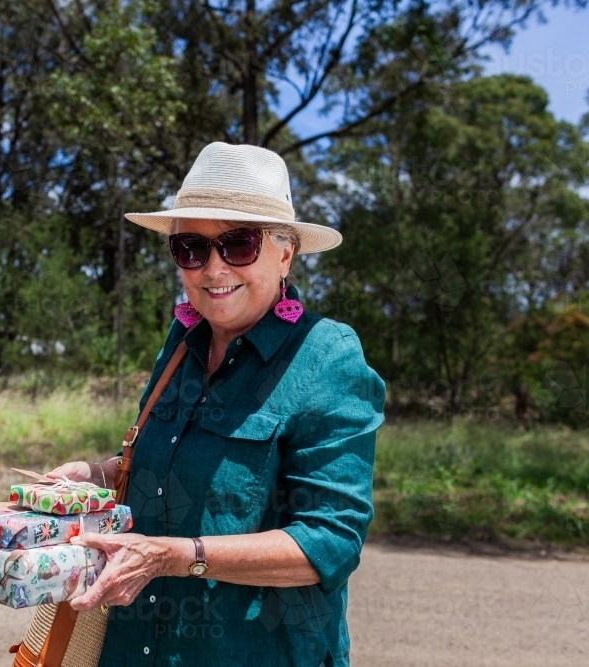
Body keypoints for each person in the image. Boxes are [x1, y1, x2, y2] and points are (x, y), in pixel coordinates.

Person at [48, 142, 385, 667]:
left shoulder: (327, 356)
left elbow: (330, 540)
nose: (212, 268)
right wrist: (95, 473)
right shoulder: (182, 341)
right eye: (191, 248)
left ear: (285, 253)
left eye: (238, 245)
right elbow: (167, 469)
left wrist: (176, 557)